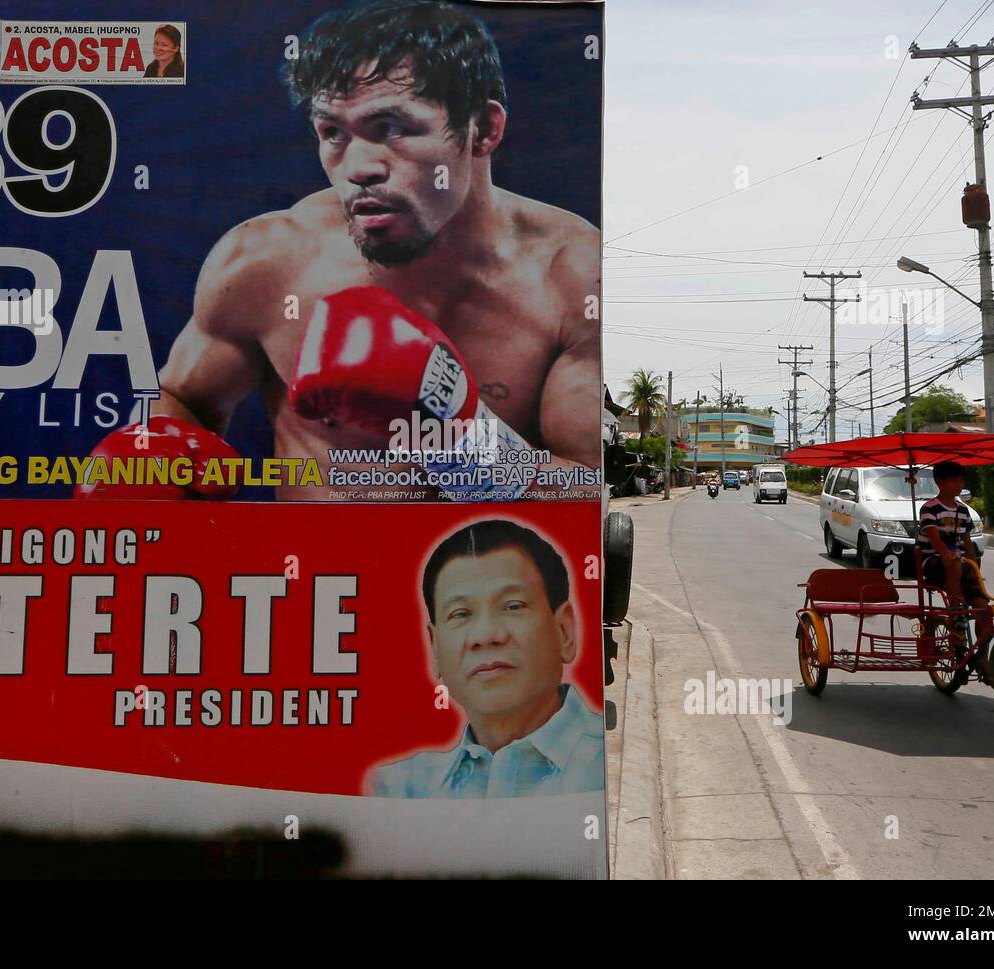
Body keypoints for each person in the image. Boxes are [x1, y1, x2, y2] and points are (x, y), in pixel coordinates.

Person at [83, 0, 600, 500]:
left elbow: (587, 490)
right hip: (311, 581)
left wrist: (464, 444)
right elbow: (181, 400)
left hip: (481, 583)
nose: (358, 167)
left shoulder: (570, 273)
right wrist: (155, 453)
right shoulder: (268, 258)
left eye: (391, 128)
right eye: (332, 132)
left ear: (483, 129)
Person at [370, 519, 604, 798]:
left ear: (564, 631)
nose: (485, 635)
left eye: (513, 606)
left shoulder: (607, 767)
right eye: (460, 614)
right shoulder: (400, 790)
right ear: (434, 648)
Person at [919, 461, 994, 678]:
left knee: (984, 611)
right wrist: (946, 554)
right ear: (940, 482)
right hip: (934, 563)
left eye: (961, 481)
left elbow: (967, 542)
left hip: (959, 565)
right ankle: (956, 607)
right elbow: (934, 538)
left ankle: (981, 655)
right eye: (954, 481)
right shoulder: (930, 508)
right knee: (952, 562)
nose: (959, 485)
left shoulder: (963, 510)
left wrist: (975, 570)